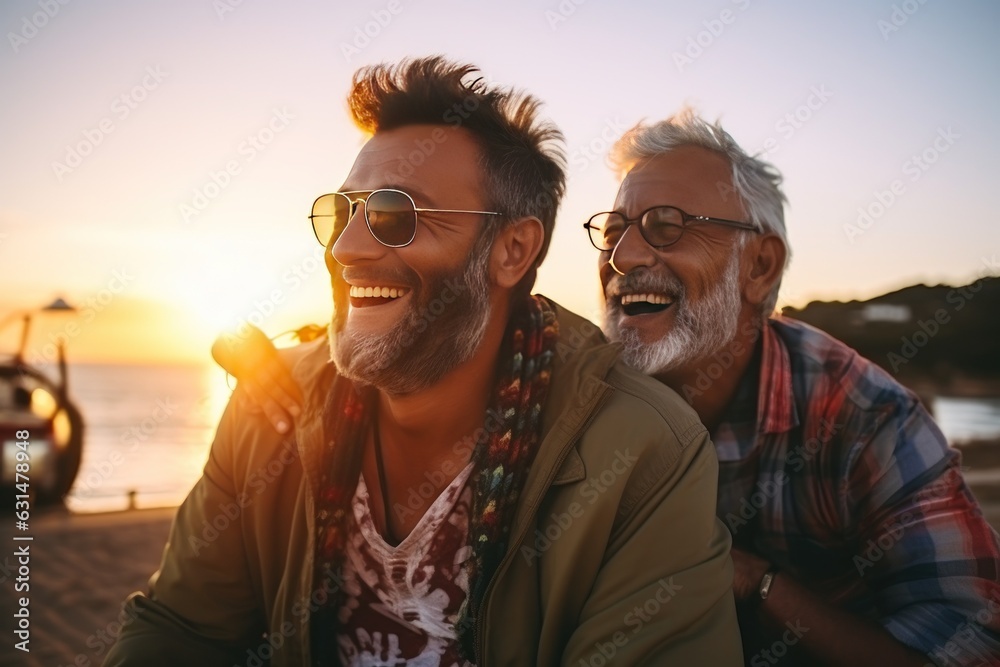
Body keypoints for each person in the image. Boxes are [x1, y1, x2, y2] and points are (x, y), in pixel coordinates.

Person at [229, 107, 1000, 666]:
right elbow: (446, 334)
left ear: (760, 267)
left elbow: (972, 644)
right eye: (616, 227)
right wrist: (304, 361)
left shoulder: (866, 420)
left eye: (667, 225)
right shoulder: (567, 379)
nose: (626, 255)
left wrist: (747, 579)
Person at [104, 60, 743, 666]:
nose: (348, 248)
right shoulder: (271, 405)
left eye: (393, 215)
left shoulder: (646, 454)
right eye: (343, 212)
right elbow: (180, 628)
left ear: (512, 249)